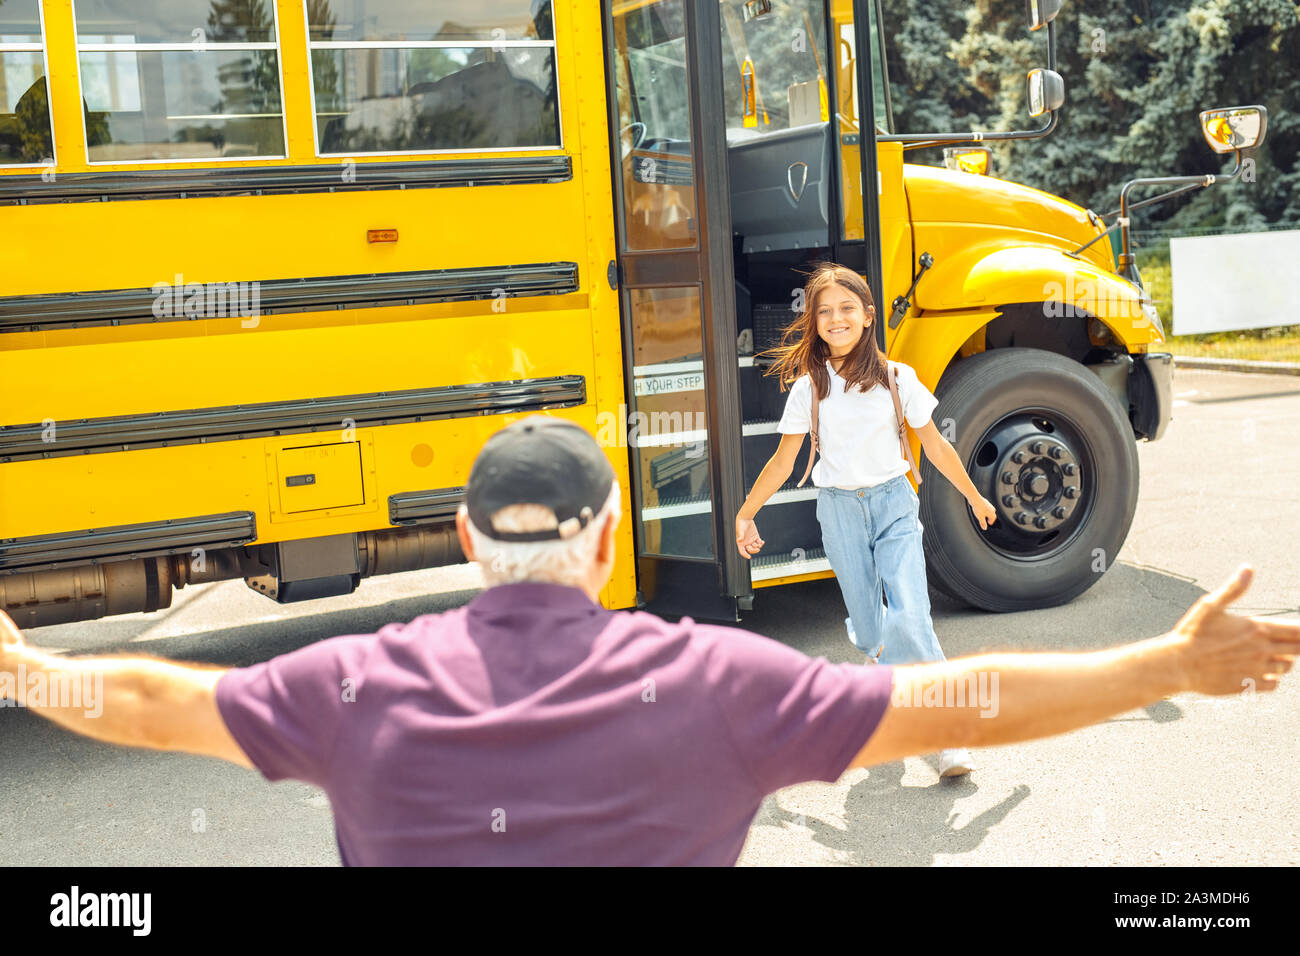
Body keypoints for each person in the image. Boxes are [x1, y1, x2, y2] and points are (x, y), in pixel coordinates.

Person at [1, 416, 1295, 866]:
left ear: (465, 540)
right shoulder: (716, 681)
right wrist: (1170, 663)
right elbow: (967, 702)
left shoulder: (352, 683)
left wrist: (23, 667)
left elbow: (148, 701)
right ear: (611, 541)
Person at [735, 261, 996, 778]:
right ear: (814, 322)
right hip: (839, 512)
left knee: (911, 615)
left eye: (847, 308)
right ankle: (882, 680)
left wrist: (974, 496)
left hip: (894, 503)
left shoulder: (898, 379)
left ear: (868, 315)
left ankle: (948, 735)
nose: (836, 319)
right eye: (825, 312)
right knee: (872, 628)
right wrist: (746, 512)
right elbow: (784, 461)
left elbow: (935, 446)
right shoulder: (809, 388)